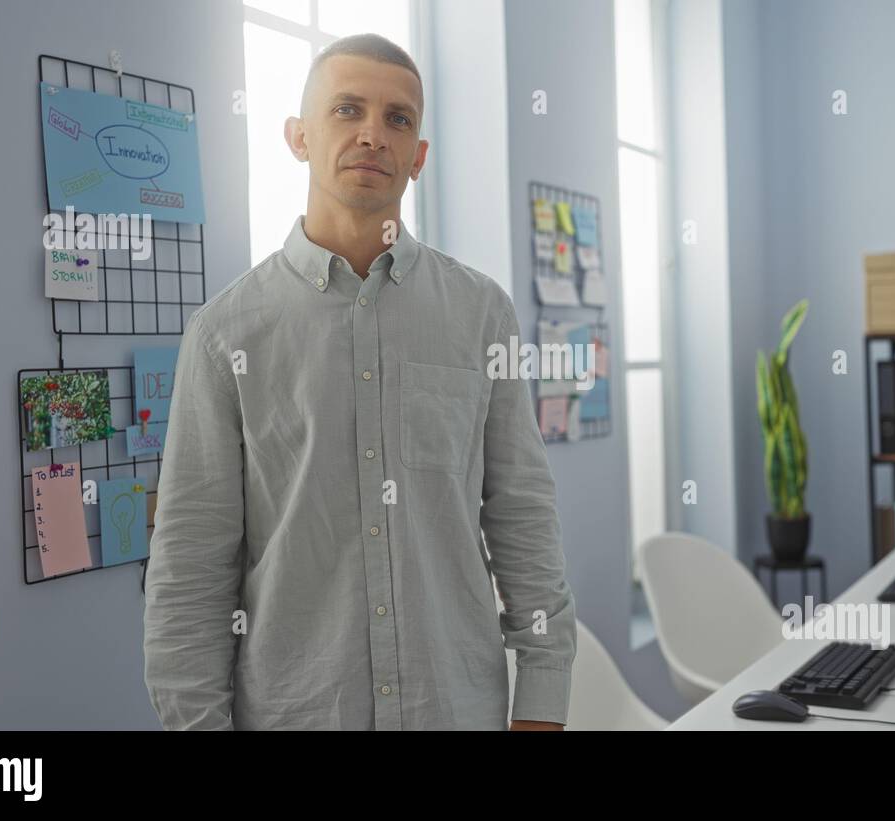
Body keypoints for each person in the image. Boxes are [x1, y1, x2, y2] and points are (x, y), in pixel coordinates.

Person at [143, 33, 576, 731]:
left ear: (419, 156)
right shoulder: (225, 335)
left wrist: (543, 702)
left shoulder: (480, 313)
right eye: (348, 110)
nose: (373, 133)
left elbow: (523, 515)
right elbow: (189, 571)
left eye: (398, 118)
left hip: (457, 709)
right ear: (300, 136)